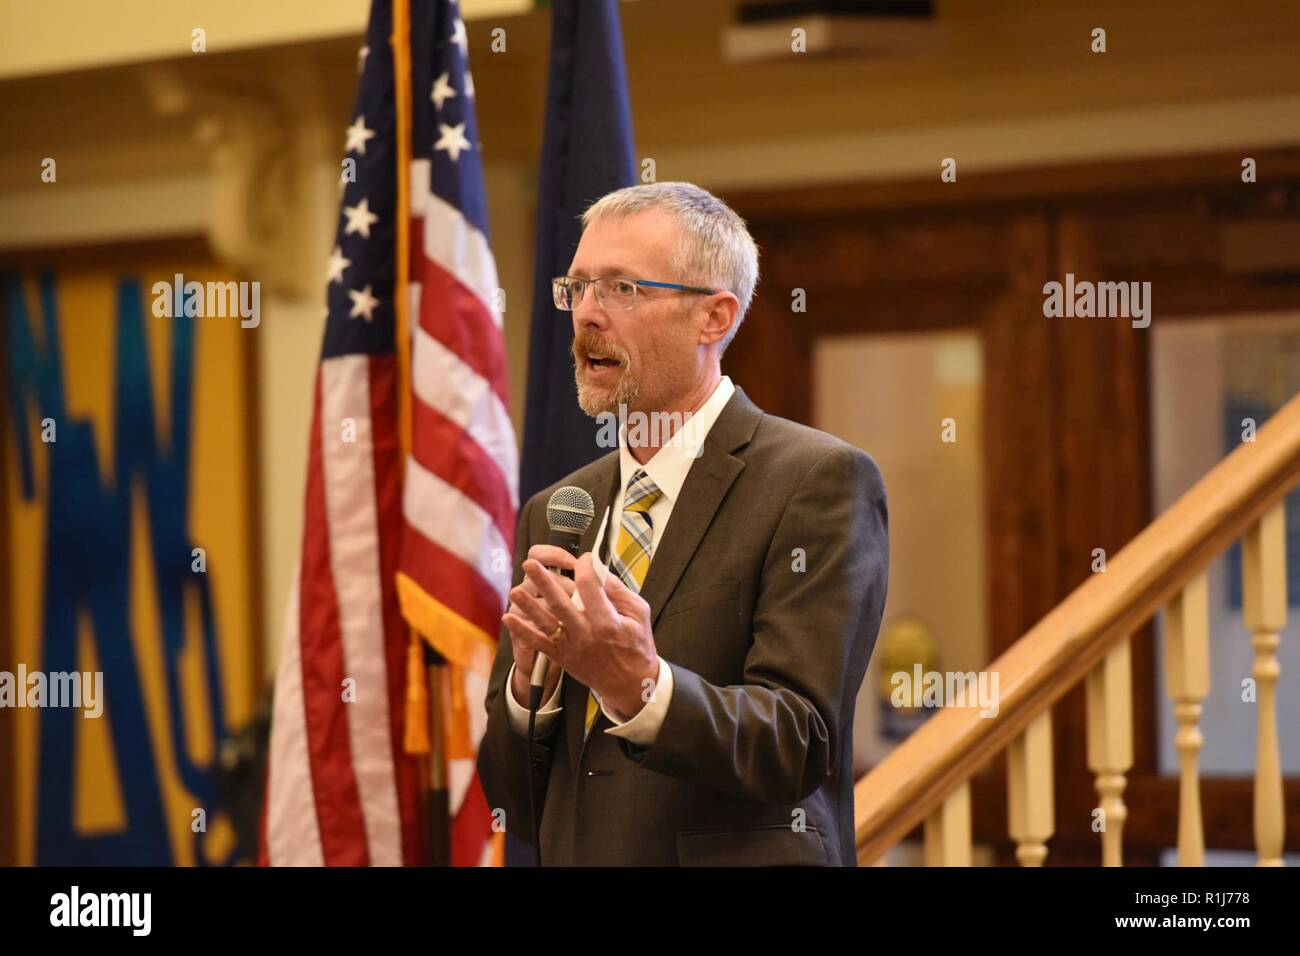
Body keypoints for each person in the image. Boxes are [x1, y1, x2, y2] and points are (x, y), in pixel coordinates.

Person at [476, 181, 888, 865]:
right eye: (576, 288)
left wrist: (637, 683)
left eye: (621, 289)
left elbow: (799, 742)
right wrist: (529, 692)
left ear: (714, 318)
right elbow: (516, 803)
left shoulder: (816, 481)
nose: (586, 316)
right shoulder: (558, 510)